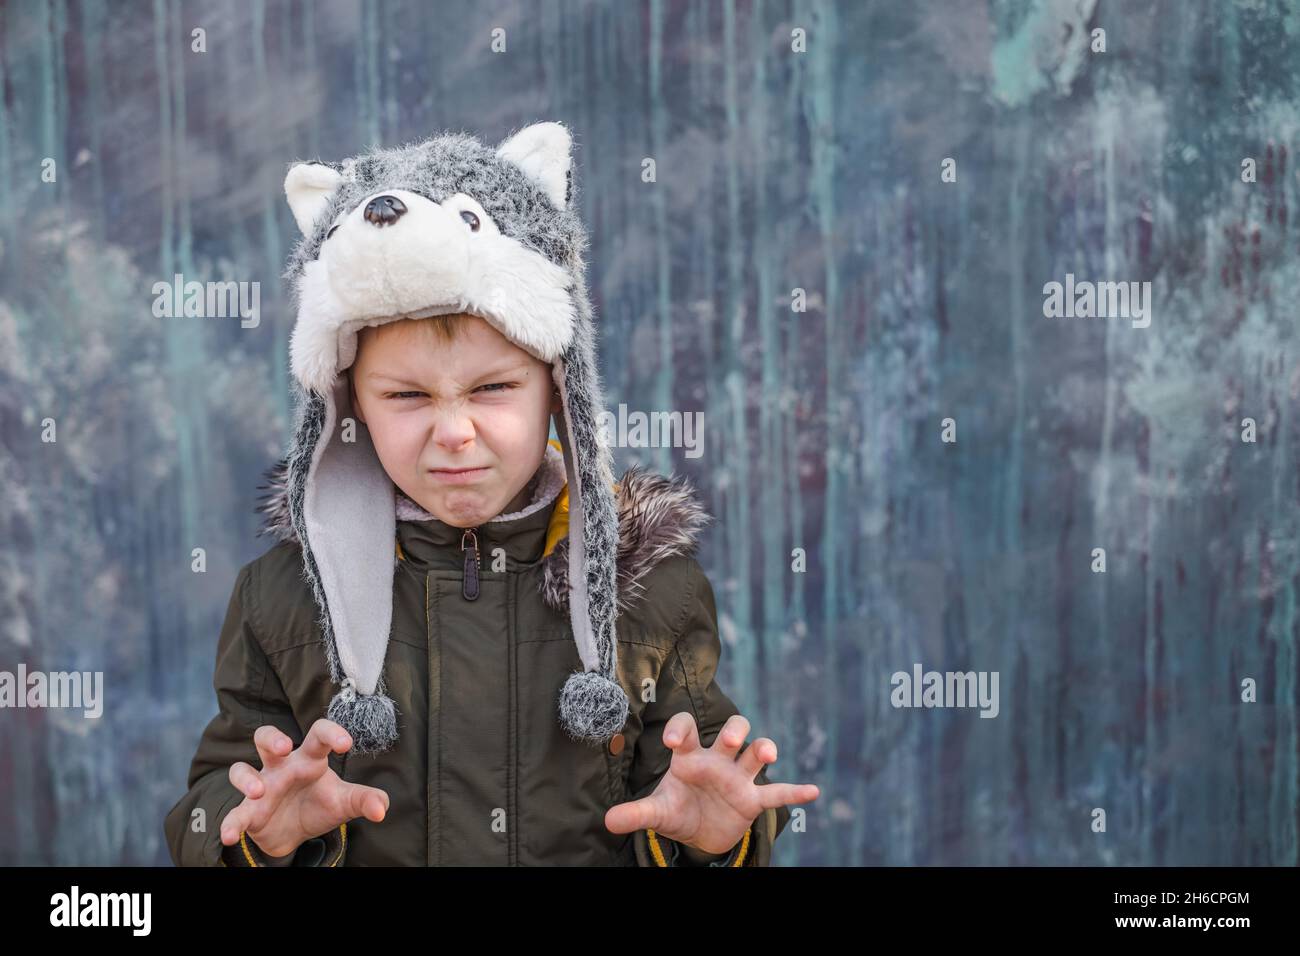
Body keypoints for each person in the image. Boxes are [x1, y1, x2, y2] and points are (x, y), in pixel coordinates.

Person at [163, 122, 819, 866]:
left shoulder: (650, 596)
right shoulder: (282, 601)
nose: (454, 432)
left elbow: (705, 785)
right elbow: (208, 803)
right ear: (350, 405)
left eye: (494, 388)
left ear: (557, 390)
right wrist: (255, 830)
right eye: (407, 395)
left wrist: (716, 838)